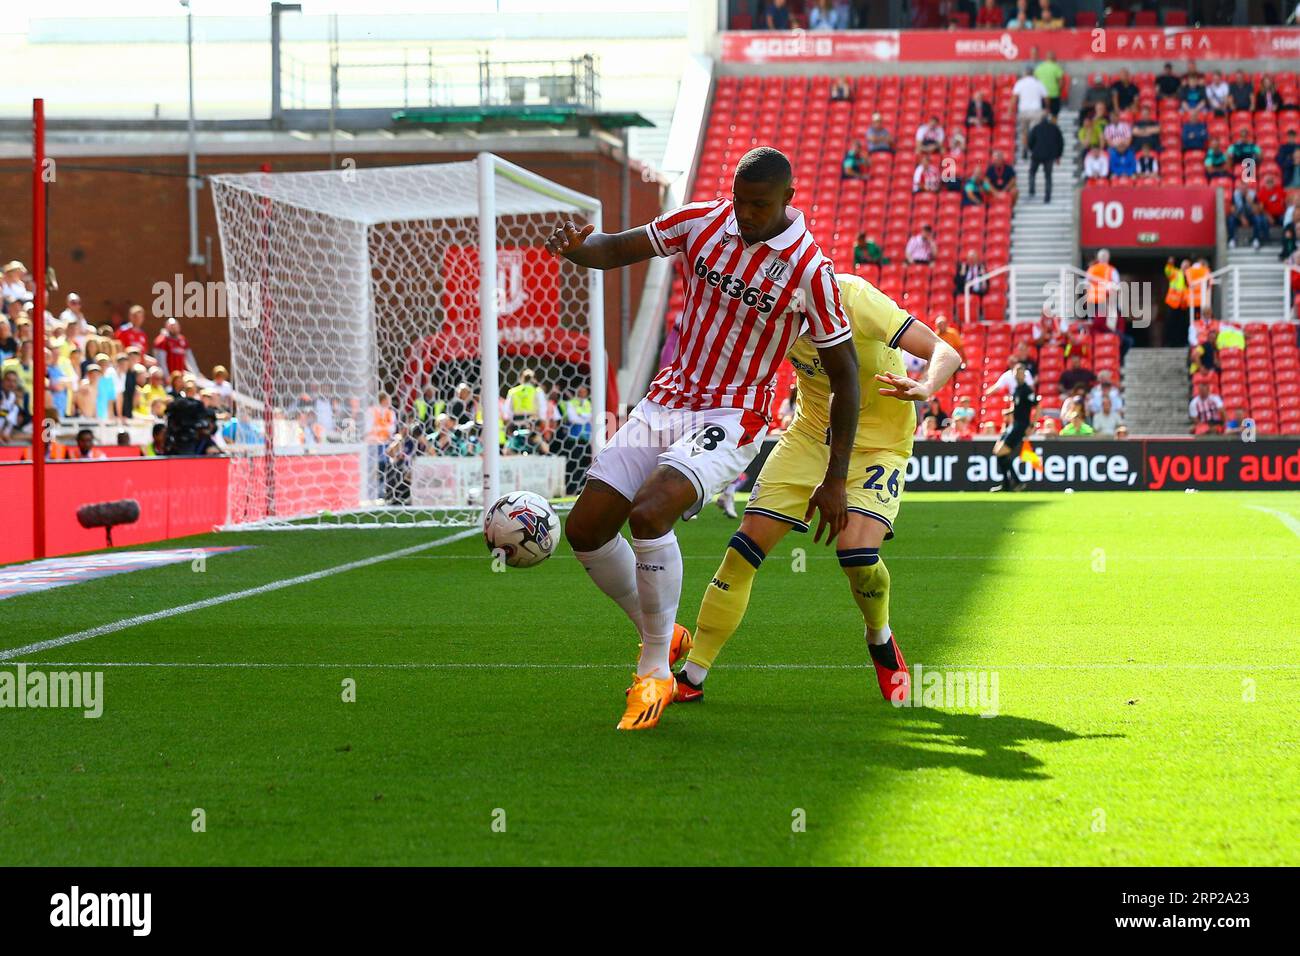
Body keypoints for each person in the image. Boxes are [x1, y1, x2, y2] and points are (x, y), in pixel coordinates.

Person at [549, 146, 861, 731]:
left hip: (735, 414)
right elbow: (617, 248)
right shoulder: (701, 220)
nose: (745, 214)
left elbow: (846, 376)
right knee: (585, 527)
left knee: (649, 513)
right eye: (740, 201)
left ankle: (653, 672)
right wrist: (578, 250)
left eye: (760, 205)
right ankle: (662, 636)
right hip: (667, 399)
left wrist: (835, 475)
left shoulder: (810, 271)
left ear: (789, 201)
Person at [675, 272, 960, 705]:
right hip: (810, 436)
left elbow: (945, 351)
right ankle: (692, 676)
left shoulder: (855, 297)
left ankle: (879, 636)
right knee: (742, 551)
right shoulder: (765, 311)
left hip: (880, 444)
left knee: (857, 556)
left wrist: (925, 387)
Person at [988, 363, 1037, 491]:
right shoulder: (1016, 390)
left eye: (1021, 373)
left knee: (1000, 453)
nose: (1018, 375)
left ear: (1024, 375)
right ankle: (1009, 484)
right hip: (1014, 424)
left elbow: (1038, 407)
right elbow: (1018, 407)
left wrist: (1032, 425)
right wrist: (1009, 412)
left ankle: (1014, 482)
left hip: (1021, 426)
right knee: (998, 452)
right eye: (1016, 373)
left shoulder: (1027, 390)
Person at [1012, 64, 1048, 159]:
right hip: (1036, 110)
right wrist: (1047, 108)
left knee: (1024, 132)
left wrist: (1010, 109)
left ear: (1025, 73)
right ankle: (1033, 149)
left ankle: (1025, 148)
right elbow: (1045, 97)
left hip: (1023, 110)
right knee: (1034, 131)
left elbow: (1014, 97)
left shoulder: (1020, 83)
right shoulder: (1038, 83)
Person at [1027, 112, 1063, 203]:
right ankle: (1047, 196)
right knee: (1048, 176)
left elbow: (1030, 141)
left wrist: (1032, 150)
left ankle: (1031, 189)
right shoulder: (1055, 128)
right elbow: (1061, 143)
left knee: (1032, 172)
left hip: (1037, 155)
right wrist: (1058, 156)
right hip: (1049, 156)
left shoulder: (1036, 128)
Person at [1035, 51, 1064, 116]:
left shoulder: (1039, 67)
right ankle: (1053, 126)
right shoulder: (1056, 67)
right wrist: (1059, 91)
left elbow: (1035, 81)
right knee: (1054, 114)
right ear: (1054, 58)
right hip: (1054, 95)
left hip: (1042, 96)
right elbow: (1061, 82)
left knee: (1043, 115)